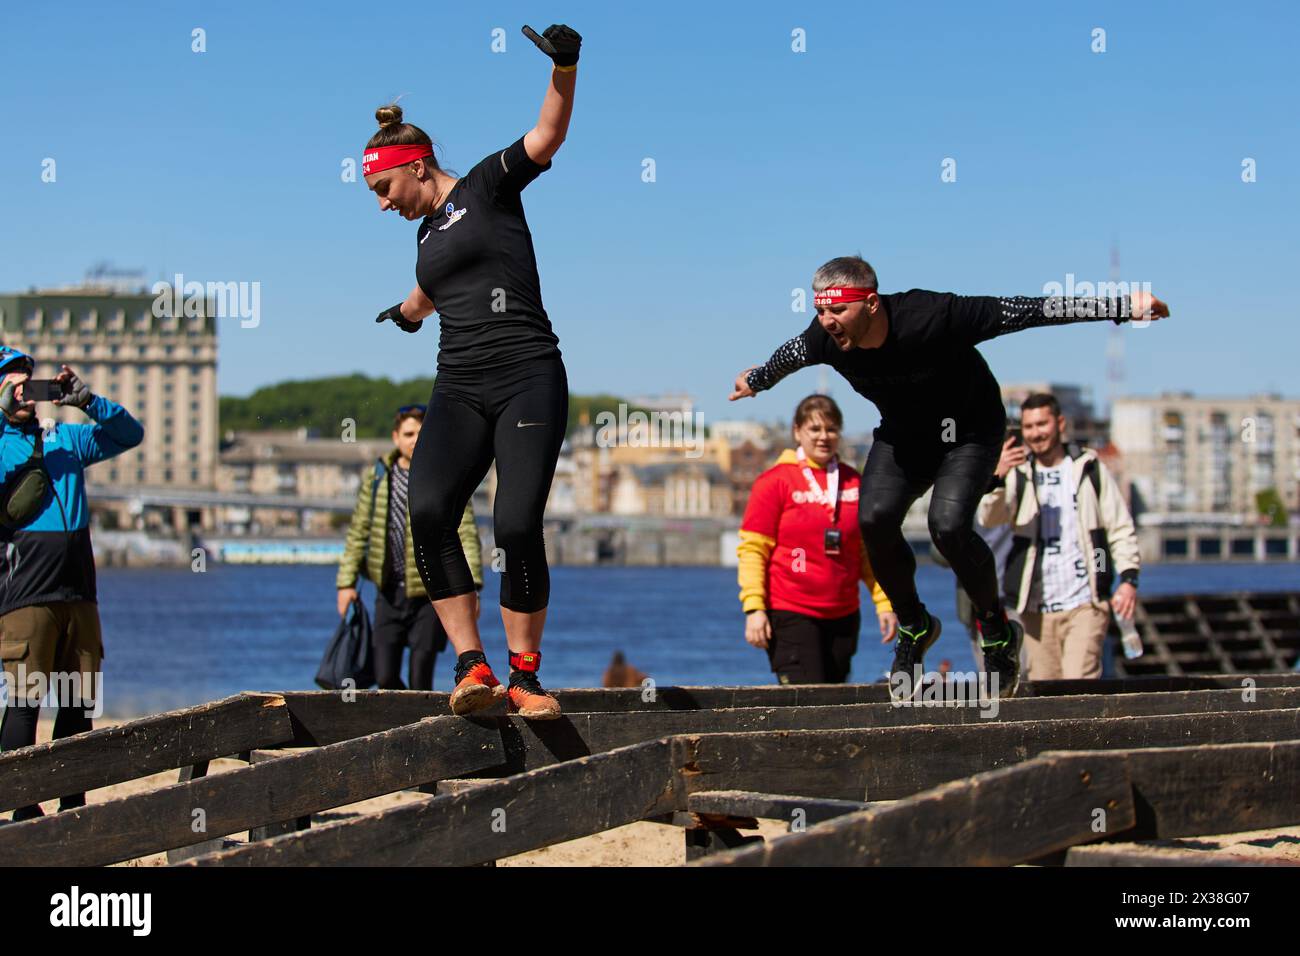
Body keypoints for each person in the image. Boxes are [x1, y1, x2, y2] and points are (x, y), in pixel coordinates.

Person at [729, 256, 1168, 699]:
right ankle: (915, 625)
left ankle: (996, 632)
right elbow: (788, 355)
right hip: (906, 436)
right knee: (874, 518)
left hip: (971, 433)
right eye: (820, 311)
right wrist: (759, 380)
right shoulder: (823, 337)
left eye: (838, 311)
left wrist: (1122, 305)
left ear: (872, 304)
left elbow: (1028, 310)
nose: (828, 322)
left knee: (948, 525)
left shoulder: (934, 315)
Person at [363, 24, 581, 719]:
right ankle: (472, 667)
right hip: (457, 385)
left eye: (385, 185)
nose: (382, 202)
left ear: (418, 165)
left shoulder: (488, 187)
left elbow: (547, 134)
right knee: (427, 512)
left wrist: (565, 67)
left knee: (515, 524)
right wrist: (405, 311)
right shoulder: (426, 238)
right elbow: (431, 292)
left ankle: (526, 676)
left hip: (526, 374)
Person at [0, 346, 144, 819]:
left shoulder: (66, 439)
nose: (25, 390)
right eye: (12, 383)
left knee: (79, 704)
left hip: (80, 594)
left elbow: (129, 434)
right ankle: (19, 807)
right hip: (27, 597)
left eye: (29, 381)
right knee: (24, 703)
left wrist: (87, 400)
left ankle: (72, 806)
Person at [977, 393, 1141, 680]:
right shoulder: (1018, 473)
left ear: (1059, 423)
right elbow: (989, 518)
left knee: (1079, 682)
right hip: (1035, 608)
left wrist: (1128, 579)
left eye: (1042, 424)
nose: (1036, 433)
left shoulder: (1088, 469)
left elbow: (1120, 527)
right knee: (1045, 693)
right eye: (1028, 427)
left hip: (1085, 602)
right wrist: (997, 478)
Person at [737, 395, 897, 684]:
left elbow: (867, 551)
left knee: (834, 704)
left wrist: (884, 603)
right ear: (797, 431)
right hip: (791, 612)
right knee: (807, 704)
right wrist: (754, 608)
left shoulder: (854, 482)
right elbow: (753, 549)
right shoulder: (775, 482)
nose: (824, 437)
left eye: (832, 429)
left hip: (844, 616)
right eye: (815, 429)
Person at [335, 404, 483, 690]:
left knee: (420, 673)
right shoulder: (379, 477)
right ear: (396, 437)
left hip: (433, 593)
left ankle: (422, 729)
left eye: (421, 433)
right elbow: (358, 532)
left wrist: (473, 585)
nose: (415, 439)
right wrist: (346, 583)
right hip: (389, 591)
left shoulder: (445, 476)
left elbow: (466, 532)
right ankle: (399, 727)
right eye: (409, 433)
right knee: (385, 675)